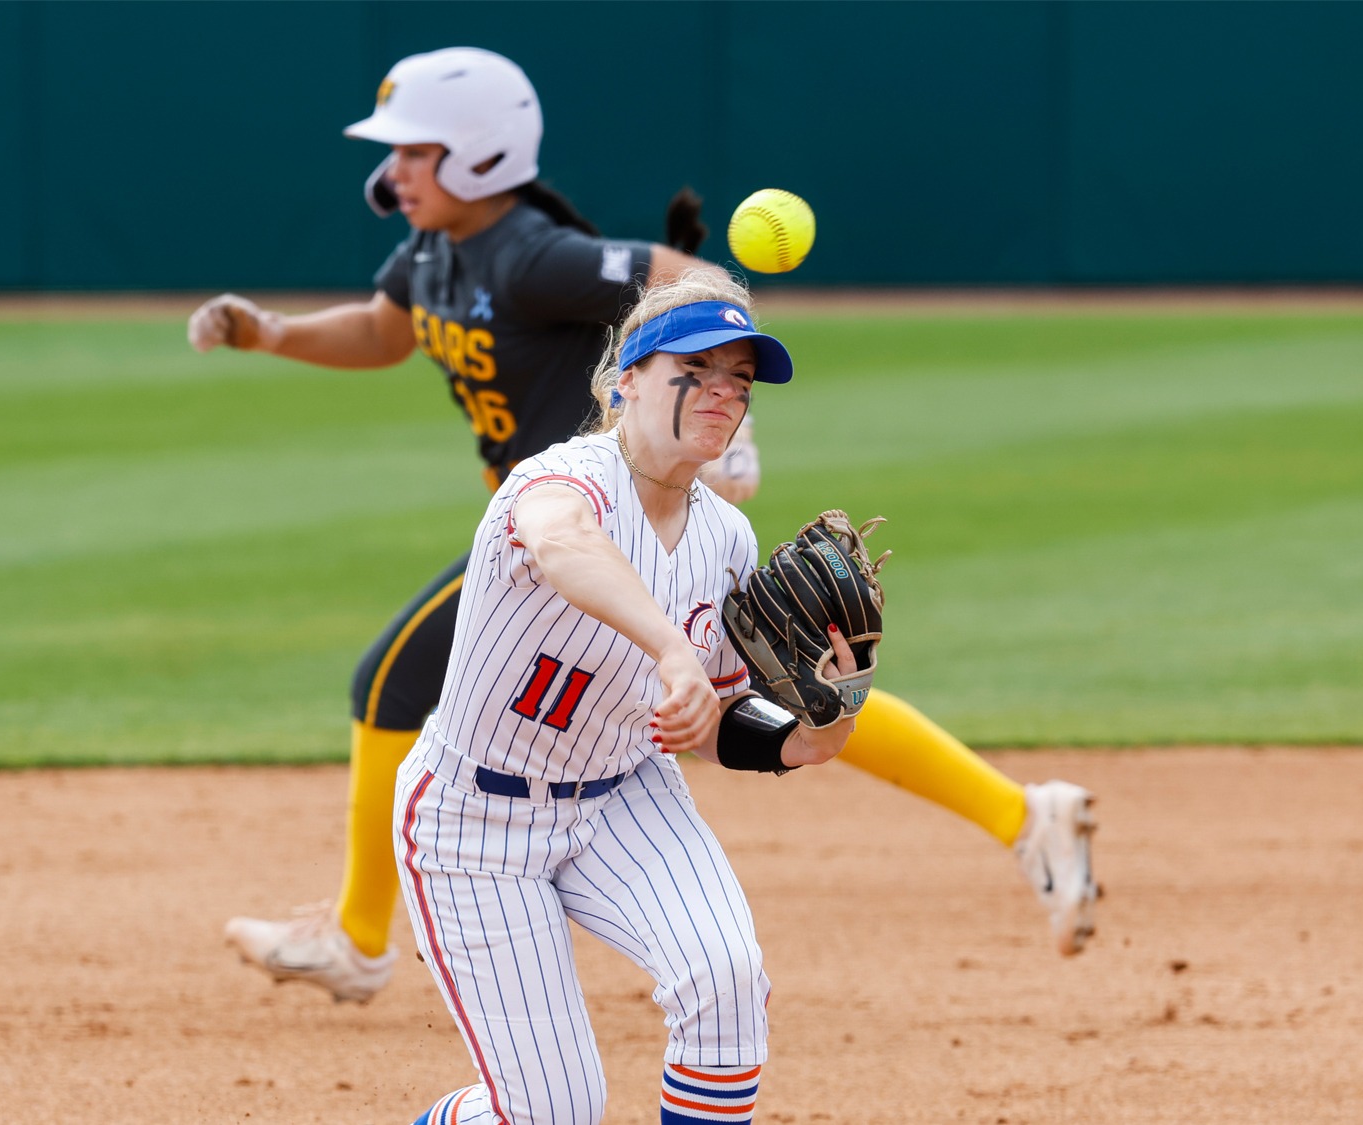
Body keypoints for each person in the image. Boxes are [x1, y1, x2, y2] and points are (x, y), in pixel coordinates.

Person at [191, 47, 1097, 1005]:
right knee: (763, 680)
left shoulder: (535, 254)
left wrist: (731, 427)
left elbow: (689, 276)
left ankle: (358, 938)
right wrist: (272, 331)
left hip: (588, 519)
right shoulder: (434, 252)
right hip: (551, 522)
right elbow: (385, 328)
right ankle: (1021, 814)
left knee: (391, 678)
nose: (395, 172)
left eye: (417, 151)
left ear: (480, 156)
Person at [399, 269, 847, 1125]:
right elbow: (563, 542)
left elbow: (715, 726)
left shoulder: (727, 535)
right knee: (551, 1113)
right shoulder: (564, 478)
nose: (722, 393)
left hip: (625, 797)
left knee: (725, 980)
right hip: (472, 819)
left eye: (739, 381)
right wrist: (671, 647)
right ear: (626, 381)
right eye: (697, 369)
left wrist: (824, 725)